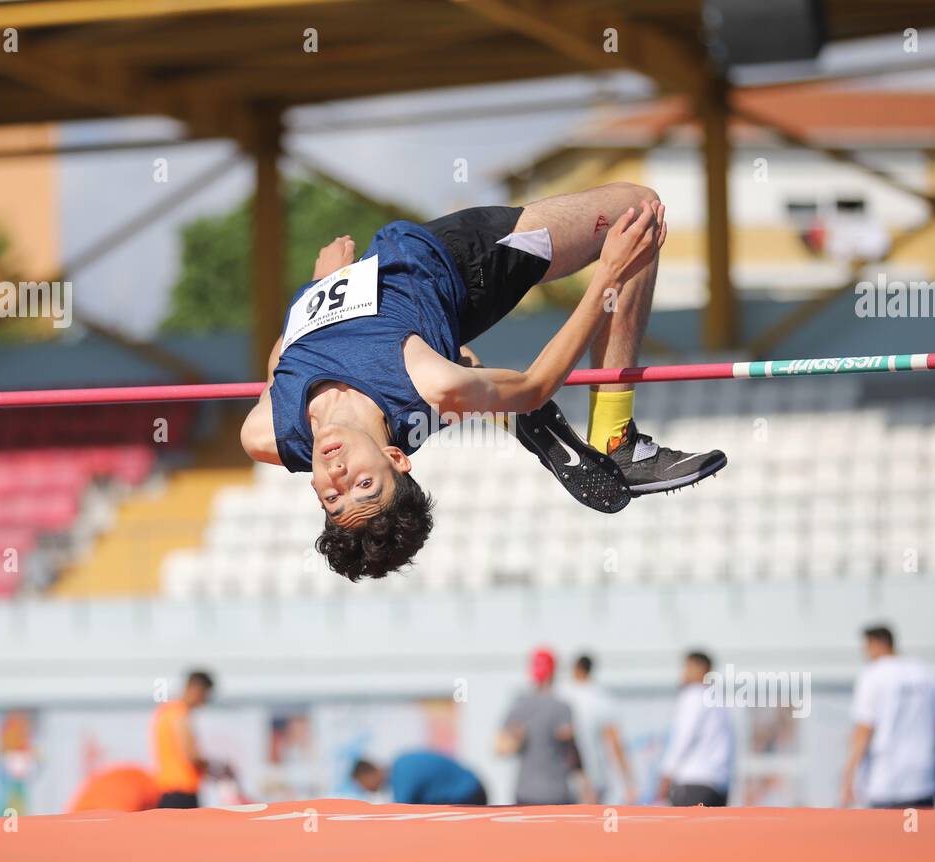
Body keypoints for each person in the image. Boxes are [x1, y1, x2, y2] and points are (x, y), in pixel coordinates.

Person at [240, 184, 728, 580]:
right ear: (395, 459)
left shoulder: (266, 434)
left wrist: (323, 284)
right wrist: (610, 276)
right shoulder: (427, 380)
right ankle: (615, 438)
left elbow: (281, 361)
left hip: (407, 329)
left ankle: (488, 397)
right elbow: (536, 384)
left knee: (460, 374)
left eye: (331, 497)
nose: (339, 478)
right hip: (462, 264)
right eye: (364, 484)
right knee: (636, 209)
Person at [840, 625, 935, 809]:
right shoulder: (927, 673)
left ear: (878, 644)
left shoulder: (873, 675)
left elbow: (863, 729)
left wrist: (849, 777)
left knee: (884, 836)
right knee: (915, 835)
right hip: (922, 778)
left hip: (885, 779)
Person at [497, 647, 593, 805]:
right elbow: (572, 751)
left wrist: (520, 738)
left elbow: (500, 748)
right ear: (554, 672)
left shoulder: (519, 708)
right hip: (556, 792)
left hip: (525, 792)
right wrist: (586, 785)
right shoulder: (562, 708)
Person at [656, 651, 735, 807]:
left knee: (684, 831)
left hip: (693, 781)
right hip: (719, 784)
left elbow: (683, 737)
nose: (683, 673)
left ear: (701, 669)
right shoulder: (720, 700)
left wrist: (666, 774)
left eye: (687, 667)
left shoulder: (693, 695)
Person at [564, 654, 636, 803]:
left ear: (575, 669)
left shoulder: (562, 696)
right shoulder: (602, 699)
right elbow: (615, 743)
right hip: (596, 777)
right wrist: (628, 781)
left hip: (567, 778)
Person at [149, 670, 227, 809]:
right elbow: (191, 756)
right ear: (196, 689)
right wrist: (216, 767)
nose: (205, 701)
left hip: (167, 790)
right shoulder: (180, 714)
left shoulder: (166, 711)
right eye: (205, 695)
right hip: (182, 793)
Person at [350, 751, 487, 805]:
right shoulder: (401, 765)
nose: (367, 791)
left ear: (367, 776)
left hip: (469, 795)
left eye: (363, 785)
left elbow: (401, 812)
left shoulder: (401, 774)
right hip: (472, 790)